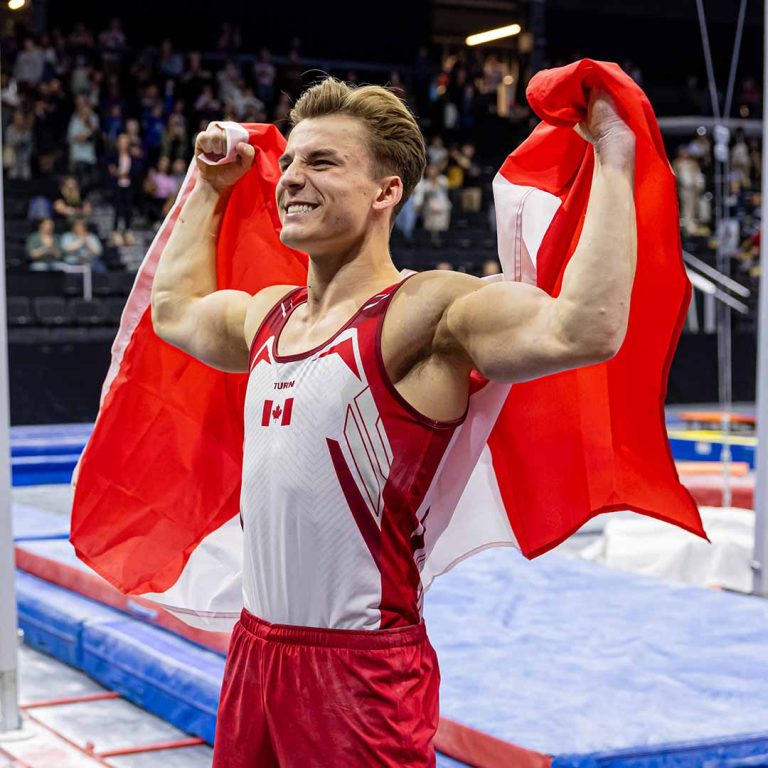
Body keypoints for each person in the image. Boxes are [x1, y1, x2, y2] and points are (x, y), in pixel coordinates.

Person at [150, 78, 636, 766]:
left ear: (385, 192)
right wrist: (209, 184)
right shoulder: (269, 314)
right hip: (254, 656)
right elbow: (173, 307)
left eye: (322, 163)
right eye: (290, 162)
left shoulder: (423, 311)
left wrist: (616, 156)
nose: (291, 178)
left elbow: (585, 329)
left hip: (361, 679)